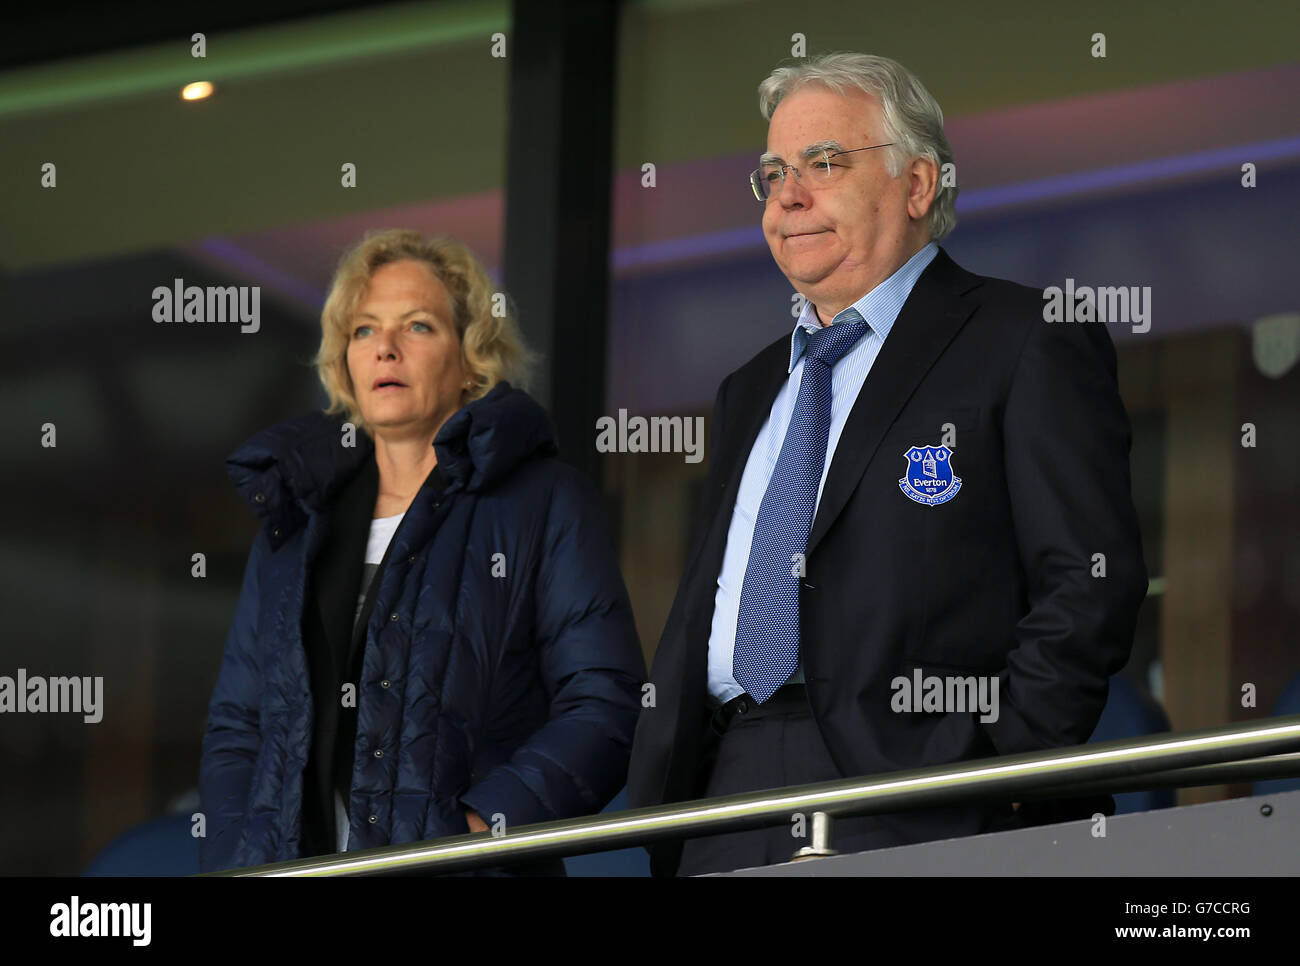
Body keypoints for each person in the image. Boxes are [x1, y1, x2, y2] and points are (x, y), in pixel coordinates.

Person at [627, 53, 1148, 876]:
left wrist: (993, 766)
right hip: (727, 793)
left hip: (921, 789)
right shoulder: (748, 388)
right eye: (772, 173)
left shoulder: (1026, 338)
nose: (788, 195)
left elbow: (1087, 580)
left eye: (824, 163)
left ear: (918, 186)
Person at [199, 229, 645, 874]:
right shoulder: (297, 516)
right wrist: (242, 861)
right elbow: (239, 727)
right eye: (363, 330)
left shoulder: (542, 502)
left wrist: (478, 830)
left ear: (471, 358)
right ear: (343, 360)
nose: (384, 347)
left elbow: (605, 700)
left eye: (417, 326)